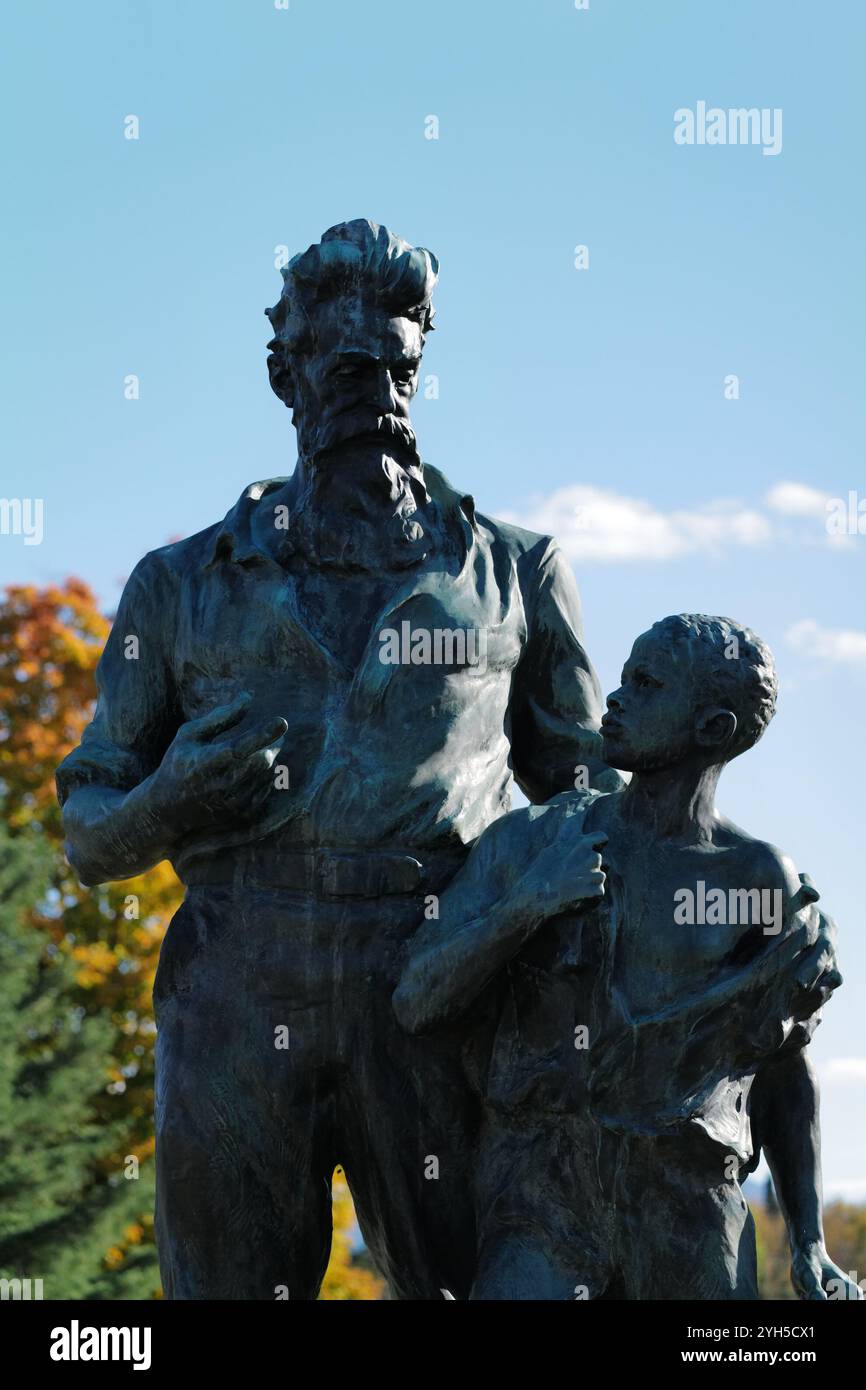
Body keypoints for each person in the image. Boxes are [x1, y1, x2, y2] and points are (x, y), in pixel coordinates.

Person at [56, 219, 614, 1300]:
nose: (380, 392)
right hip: (234, 988)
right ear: (287, 375)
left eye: (402, 365)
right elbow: (87, 832)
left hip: (439, 984)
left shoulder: (516, 572)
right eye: (348, 366)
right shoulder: (179, 586)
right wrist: (168, 798)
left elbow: (594, 802)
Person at [395, 614, 858, 1299]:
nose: (615, 698)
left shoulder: (756, 881)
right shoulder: (535, 842)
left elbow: (784, 1071)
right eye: (625, 676)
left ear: (713, 731)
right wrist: (528, 903)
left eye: (647, 685)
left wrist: (810, 1241)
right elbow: (416, 1000)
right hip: (544, 1194)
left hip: (690, 1207)